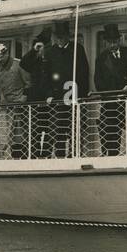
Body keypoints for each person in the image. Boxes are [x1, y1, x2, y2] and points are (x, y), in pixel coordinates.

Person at [45, 19, 90, 157]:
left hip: (74, 95)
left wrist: (83, 93)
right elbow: (45, 75)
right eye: (57, 36)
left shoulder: (77, 49)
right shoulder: (50, 52)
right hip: (57, 97)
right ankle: (59, 156)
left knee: (75, 127)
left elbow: (84, 72)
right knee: (58, 129)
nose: (60, 39)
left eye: (62, 36)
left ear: (67, 36)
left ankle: (75, 154)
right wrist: (48, 94)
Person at [93, 23, 127, 155]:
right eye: (109, 42)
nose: (112, 44)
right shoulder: (101, 59)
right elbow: (98, 81)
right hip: (111, 104)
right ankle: (112, 157)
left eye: (114, 41)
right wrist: (111, 94)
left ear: (119, 40)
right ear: (106, 42)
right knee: (111, 136)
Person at [0, 40, 30, 158]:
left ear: (7, 53)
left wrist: (24, 97)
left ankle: (20, 159)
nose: (0, 58)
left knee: (20, 136)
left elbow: (28, 82)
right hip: (5, 106)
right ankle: (3, 158)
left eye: (2, 55)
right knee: (4, 136)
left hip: (20, 106)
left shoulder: (19, 64)